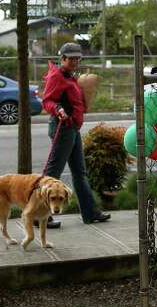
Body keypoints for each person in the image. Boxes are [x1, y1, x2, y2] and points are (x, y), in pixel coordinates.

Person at [40, 42, 111, 228]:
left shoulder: (69, 76)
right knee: (52, 174)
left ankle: (90, 213)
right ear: (62, 58)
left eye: (77, 58)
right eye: (70, 58)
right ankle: (41, 216)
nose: (74, 61)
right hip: (62, 127)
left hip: (72, 128)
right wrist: (58, 109)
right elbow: (47, 101)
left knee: (80, 172)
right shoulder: (56, 76)